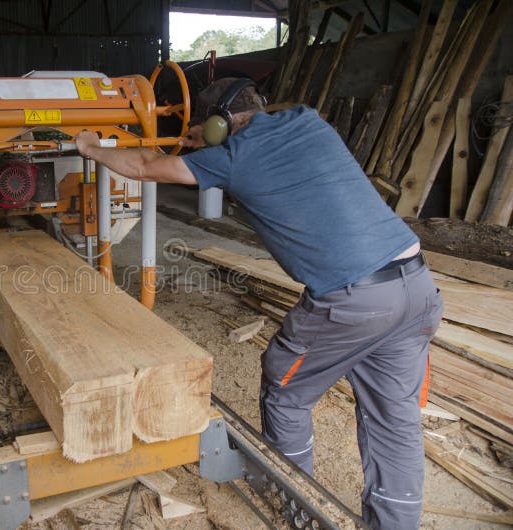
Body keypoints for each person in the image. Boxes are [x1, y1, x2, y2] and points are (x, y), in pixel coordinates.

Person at [74, 78, 443, 530]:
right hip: (418, 287)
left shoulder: (234, 157)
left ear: (213, 126)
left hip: (354, 301)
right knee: (395, 416)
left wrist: (92, 148)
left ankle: (292, 506)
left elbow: (147, 165)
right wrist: (203, 143)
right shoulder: (308, 120)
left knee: (285, 391)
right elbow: (258, 141)